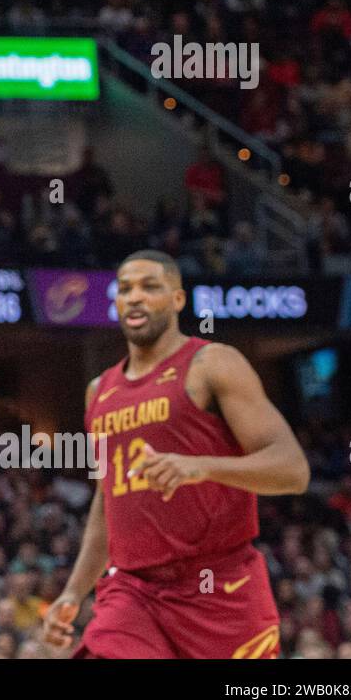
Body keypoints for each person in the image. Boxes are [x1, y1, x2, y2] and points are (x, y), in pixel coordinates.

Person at [42, 250, 310, 659]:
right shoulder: (99, 391)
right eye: (125, 289)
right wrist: (74, 591)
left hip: (217, 586)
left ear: (178, 299)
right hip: (134, 592)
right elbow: (106, 501)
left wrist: (200, 467)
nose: (135, 297)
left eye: (150, 287)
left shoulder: (213, 364)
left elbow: (292, 469)